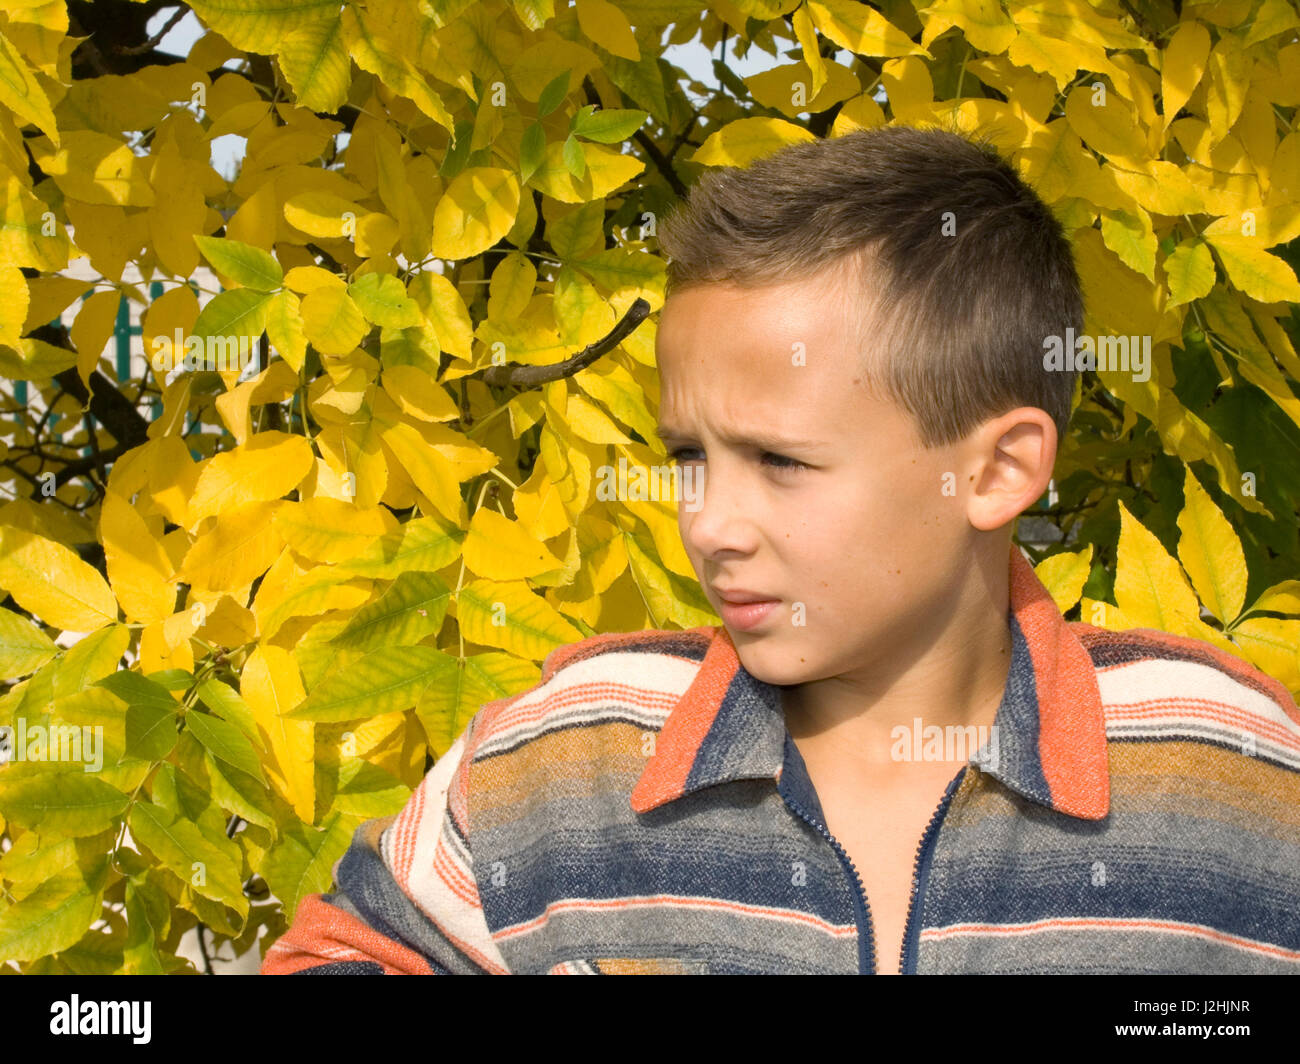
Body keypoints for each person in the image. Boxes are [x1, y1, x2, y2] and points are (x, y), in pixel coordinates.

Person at [262, 126, 1300, 975]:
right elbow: (338, 955)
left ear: (996, 471)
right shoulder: (567, 758)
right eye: (687, 455)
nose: (710, 522)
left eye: (781, 460)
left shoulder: (1224, 770)